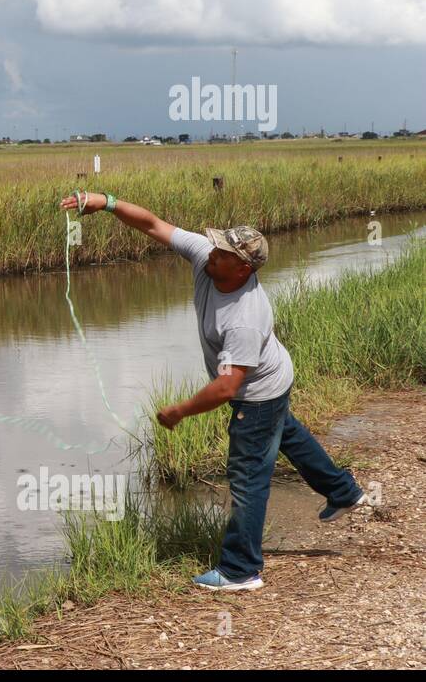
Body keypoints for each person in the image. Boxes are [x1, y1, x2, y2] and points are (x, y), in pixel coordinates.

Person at [59, 190, 368, 591]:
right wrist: (108, 202)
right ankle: (343, 492)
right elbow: (153, 224)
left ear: (242, 268)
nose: (211, 253)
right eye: (215, 246)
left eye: (222, 253)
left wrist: (179, 411)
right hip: (276, 376)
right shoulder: (208, 257)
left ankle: (241, 570)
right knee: (288, 433)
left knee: (248, 475)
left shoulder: (244, 317)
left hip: (257, 394)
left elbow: (227, 387)